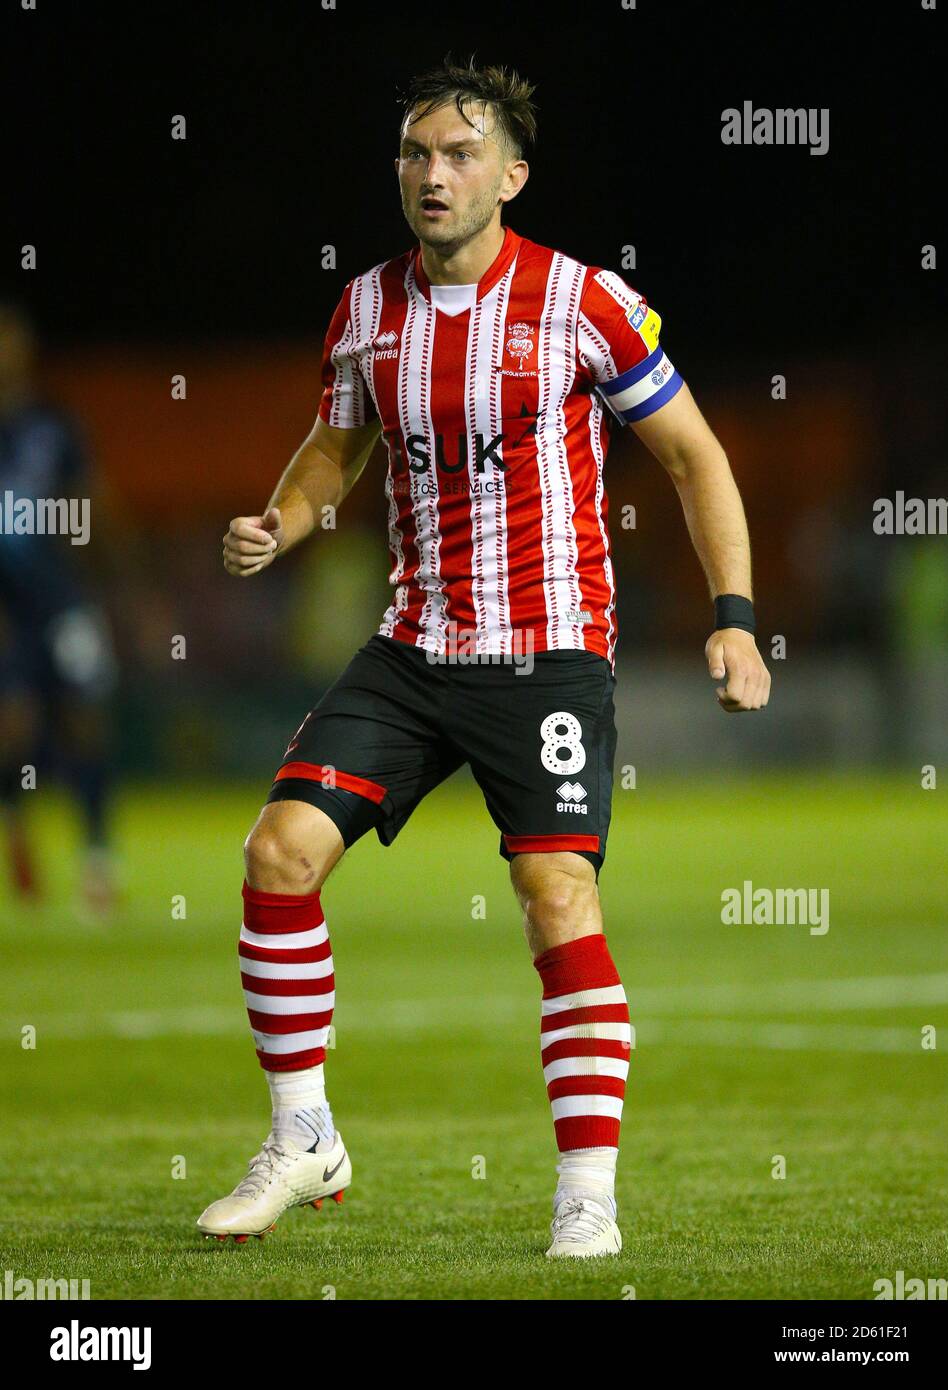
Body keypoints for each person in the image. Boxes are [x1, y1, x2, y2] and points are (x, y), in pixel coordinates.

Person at [200, 55, 771, 1258]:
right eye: (414, 153)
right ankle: (304, 1138)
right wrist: (281, 520)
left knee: (552, 895)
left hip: (547, 653)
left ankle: (585, 1192)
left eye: (458, 155)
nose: (431, 174)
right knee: (277, 851)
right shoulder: (364, 309)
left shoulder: (581, 300)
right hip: (411, 650)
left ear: (511, 175)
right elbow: (330, 449)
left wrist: (731, 611)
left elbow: (693, 457)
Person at [0, 299, 118, 913]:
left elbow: (90, 508)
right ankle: (18, 837)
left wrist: (115, 588)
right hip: (7, 611)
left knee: (85, 719)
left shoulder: (54, 425)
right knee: (11, 728)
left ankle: (98, 861)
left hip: (64, 601)